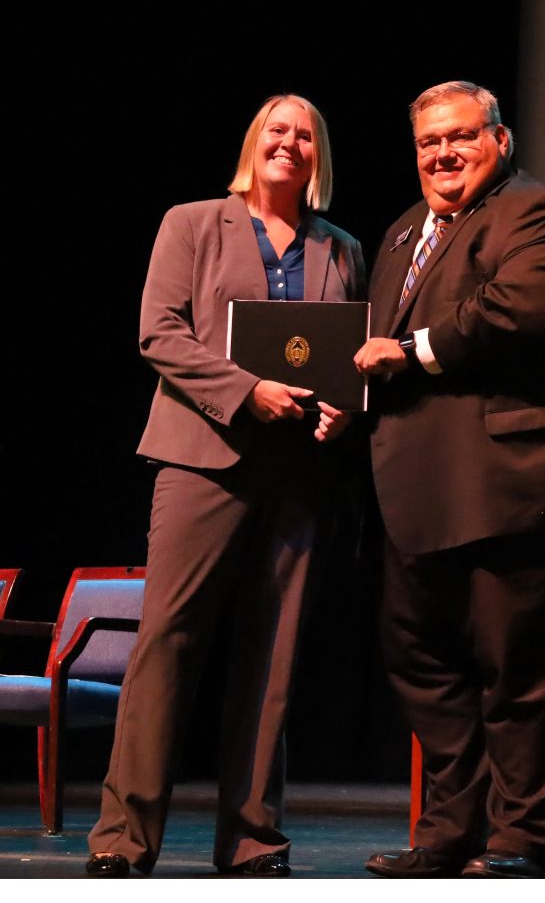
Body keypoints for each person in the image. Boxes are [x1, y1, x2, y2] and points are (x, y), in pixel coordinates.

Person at [86, 94, 365, 878]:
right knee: (166, 645)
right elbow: (159, 330)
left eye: (305, 134)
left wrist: (345, 410)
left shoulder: (340, 247)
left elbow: (348, 357)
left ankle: (252, 841)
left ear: (319, 155)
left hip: (302, 471)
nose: (290, 143)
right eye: (277, 130)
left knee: (273, 658)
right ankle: (122, 839)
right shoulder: (192, 222)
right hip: (202, 454)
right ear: (253, 142)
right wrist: (247, 390)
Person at [354, 81, 545, 879]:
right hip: (418, 492)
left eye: (460, 137)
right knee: (424, 669)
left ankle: (520, 841)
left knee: (526, 676)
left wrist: (415, 352)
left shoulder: (540, 211)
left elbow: (525, 308)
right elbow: (370, 346)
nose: (443, 154)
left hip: (520, 488)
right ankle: (448, 832)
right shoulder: (403, 233)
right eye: (429, 143)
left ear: (499, 140)